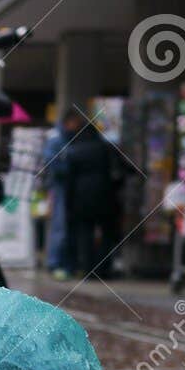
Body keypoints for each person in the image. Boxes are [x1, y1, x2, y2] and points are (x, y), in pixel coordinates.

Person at [63, 110, 124, 279]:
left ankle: (88, 267)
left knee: (85, 233)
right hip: (105, 195)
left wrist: (69, 202)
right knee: (106, 233)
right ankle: (103, 268)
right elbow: (120, 170)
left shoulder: (74, 150)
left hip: (81, 197)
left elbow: (69, 178)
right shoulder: (105, 148)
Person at [42, 107, 82, 278]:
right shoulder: (57, 139)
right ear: (68, 122)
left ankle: (66, 264)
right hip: (60, 186)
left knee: (69, 226)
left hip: (69, 186)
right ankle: (55, 263)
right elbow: (51, 161)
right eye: (75, 123)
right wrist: (66, 168)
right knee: (60, 226)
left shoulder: (70, 139)